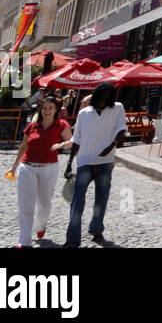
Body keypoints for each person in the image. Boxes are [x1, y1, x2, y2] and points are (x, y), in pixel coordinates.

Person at [64, 82, 128, 247]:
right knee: (77, 200)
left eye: (107, 98)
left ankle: (96, 229)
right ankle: (72, 238)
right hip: (85, 160)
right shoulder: (84, 114)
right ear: (95, 97)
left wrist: (112, 145)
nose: (103, 100)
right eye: (100, 97)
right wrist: (69, 163)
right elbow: (76, 139)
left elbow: (122, 129)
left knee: (102, 198)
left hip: (105, 162)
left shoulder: (117, 108)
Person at [9, 96, 73, 247]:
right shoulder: (32, 126)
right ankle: (24, 241)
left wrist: (61, 145)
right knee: (26, 204)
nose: (47, 111)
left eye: (50, 108)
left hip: (49, 168)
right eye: (44, 108)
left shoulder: (61, 124)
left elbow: (71, 142)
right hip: (27, 167)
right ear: (40, 110)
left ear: (56, 109)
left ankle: (41, 225)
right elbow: (24, 147)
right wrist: (14, 166)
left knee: (44, 204)